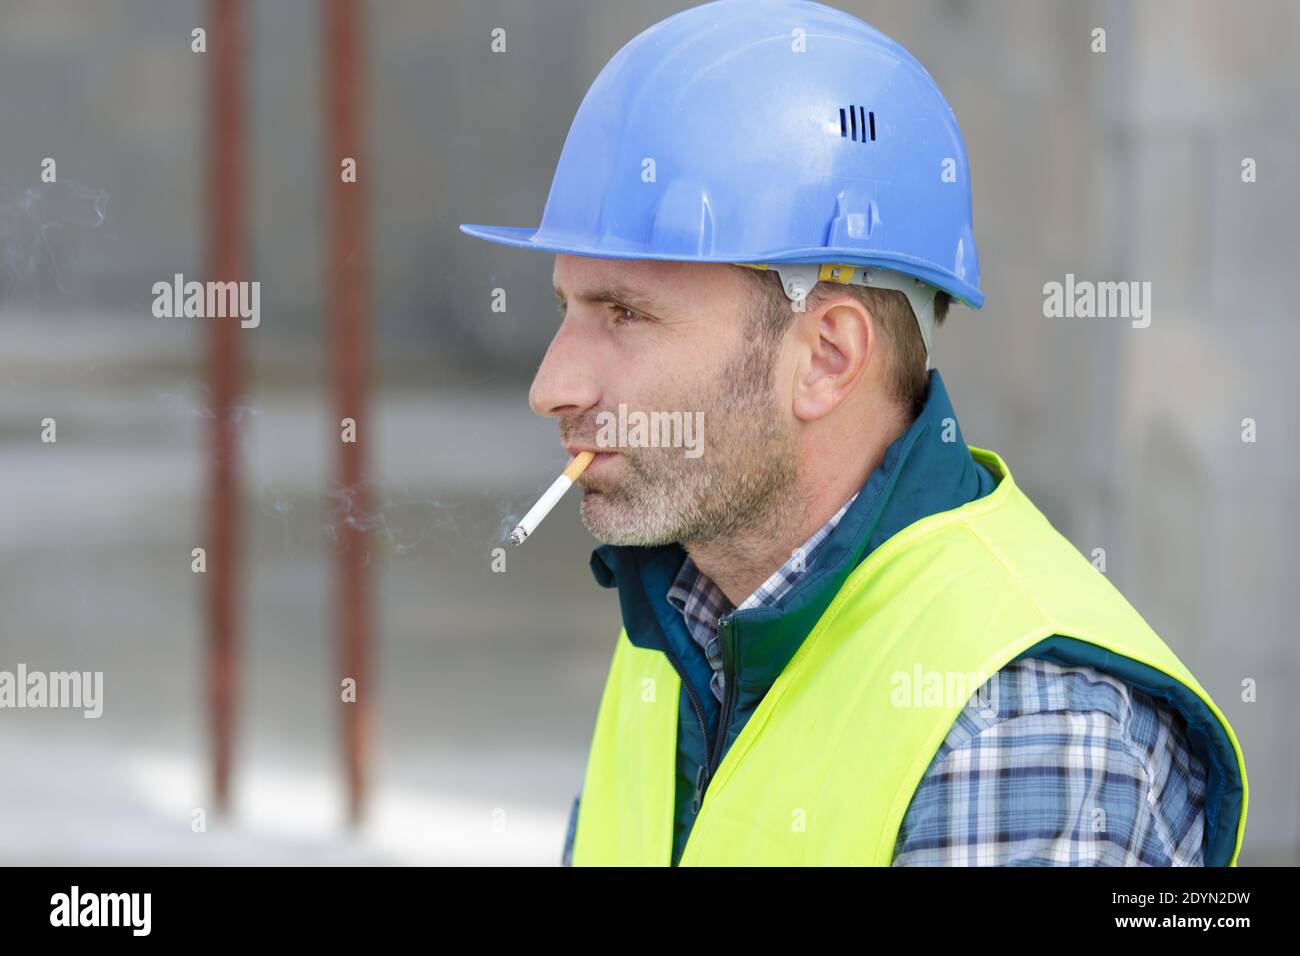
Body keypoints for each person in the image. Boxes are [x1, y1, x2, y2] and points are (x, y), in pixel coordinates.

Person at [459, 0, 1247, 866]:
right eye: (567, 308)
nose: (550, 386)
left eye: (627, 315)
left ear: (827, 358)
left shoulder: (1024, 732)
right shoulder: (680, 613)